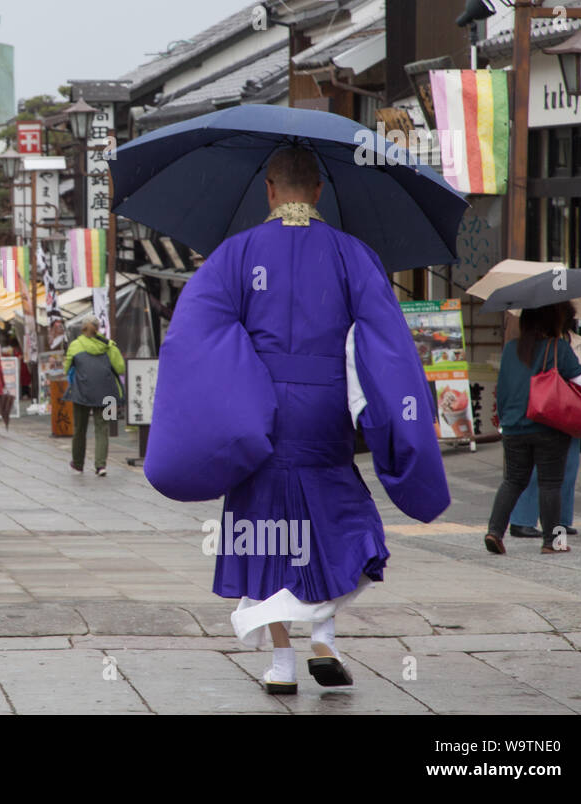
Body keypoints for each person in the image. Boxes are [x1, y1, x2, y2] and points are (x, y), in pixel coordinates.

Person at [144, 146, 450, 694]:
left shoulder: (235, 256)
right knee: (336, 522)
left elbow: (191, 335)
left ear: (268, 189)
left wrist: (233, 386)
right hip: (326, 411)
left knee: (267, 534)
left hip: (258, 412)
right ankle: (324, 636)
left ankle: (282, 666)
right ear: (318, 190)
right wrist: (397, 414)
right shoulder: (352, 254)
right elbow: (387, 342)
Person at [485, 301, 581, 555]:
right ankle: (553, 542)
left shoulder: (510, 349)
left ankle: (495, 531)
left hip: (515, 427)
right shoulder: (558, 347)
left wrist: (505, 421)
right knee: (551, 483)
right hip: (548, 426)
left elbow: (503, 389)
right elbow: (580, 382)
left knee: (513, 481)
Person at [509, 309, 581, 538]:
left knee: (569, 468)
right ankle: (523, 520)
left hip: (569, 409)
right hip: (540, 411)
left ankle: (562, 521)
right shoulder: (533, 345)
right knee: (534, 470)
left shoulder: (578, 344)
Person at [65, 315, 125, 475]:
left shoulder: (75, 345)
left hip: (81, 393)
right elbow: (120, 369)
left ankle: (77, 464)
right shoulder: (109, 346)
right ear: (98, 328)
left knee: (80, 429)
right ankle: (101, 465)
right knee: (102, 429)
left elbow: (67, 369)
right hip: (107, 395)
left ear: (82, 328)